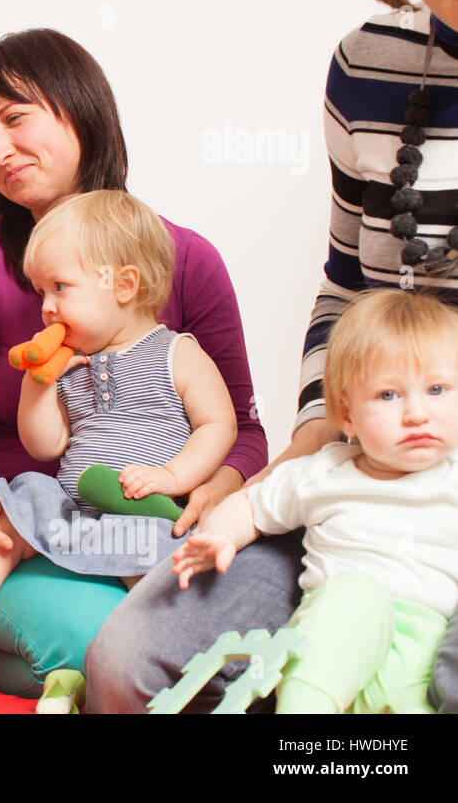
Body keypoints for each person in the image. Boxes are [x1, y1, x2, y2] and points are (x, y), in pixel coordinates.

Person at [85, 0, 458, 713]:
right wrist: (319, 422)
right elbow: (342, 283)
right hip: (367, 466)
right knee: (131, 662)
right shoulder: (369, 67)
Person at [0, 29, 266, 698]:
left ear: (81, 108)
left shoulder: (185, 257)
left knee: (169, 652)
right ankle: (14, 645)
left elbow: (241, 428)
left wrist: (210, 488)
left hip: (151, 529)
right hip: (27, 534)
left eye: (14, 119)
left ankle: (8, 667)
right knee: (103, 645)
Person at [0, 191, 236, 659]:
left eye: (60, 287)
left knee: (170, 566)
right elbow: (46, 445)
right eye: (42, 291)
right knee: (7, 507)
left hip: (140, 510)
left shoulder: (177, 353)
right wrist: (38, 386)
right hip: (72, 511)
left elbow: (218, 425)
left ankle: (167, 651)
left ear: (124, 285)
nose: (46, 307)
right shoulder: (74, 366)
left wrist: (172, 477)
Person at [174, 289, 458, 713]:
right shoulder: (323, 472)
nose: (416, 413)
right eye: (388, 395)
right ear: (346, 414)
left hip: (425, 649)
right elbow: (252, 504)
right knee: (356, 598)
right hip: (335, 637)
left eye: (436, 389)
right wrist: (218, 535)